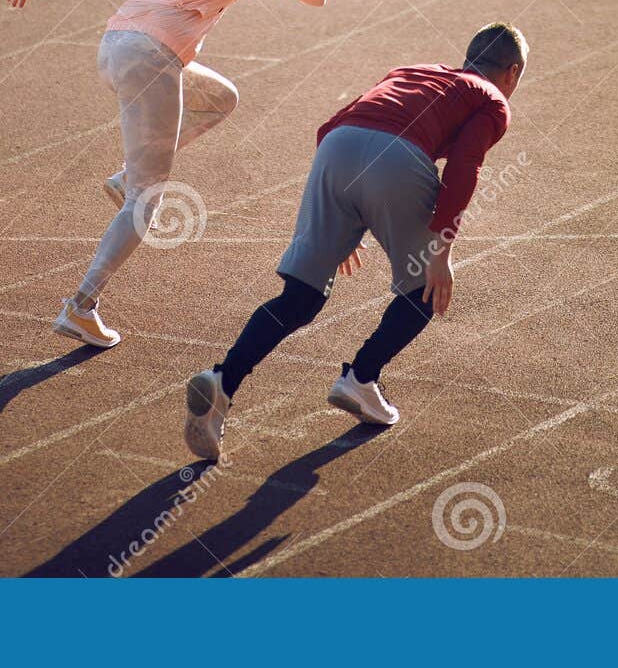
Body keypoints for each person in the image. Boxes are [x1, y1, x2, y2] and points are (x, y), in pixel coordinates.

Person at [3, 0, 328, 349]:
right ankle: (81, 305)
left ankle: (125, 177)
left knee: (221, 98)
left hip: (117, 47)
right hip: (152, 61)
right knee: (148, 199)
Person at [183, 23, 528, 461]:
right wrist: (442, 249)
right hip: (398, 159)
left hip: (336, 148)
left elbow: (330, 126)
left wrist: (344, 218)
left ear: (468, 56)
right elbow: (464, 167)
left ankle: (222, 381)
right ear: (512, 73)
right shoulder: (492, 100)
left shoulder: (410, 72)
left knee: (301, 296)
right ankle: (361, 378)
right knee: (425, 289)